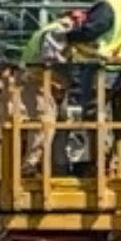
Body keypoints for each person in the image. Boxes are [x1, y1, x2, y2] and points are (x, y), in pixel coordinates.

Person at [16, 10, 86, 175]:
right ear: (76, 20)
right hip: (37, 82)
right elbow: (50, 57)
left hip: (45, 84)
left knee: (56, 125)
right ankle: (30, 166)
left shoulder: (50, 29)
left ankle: (56, 168)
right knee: (43, 123)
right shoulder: (58, 31)